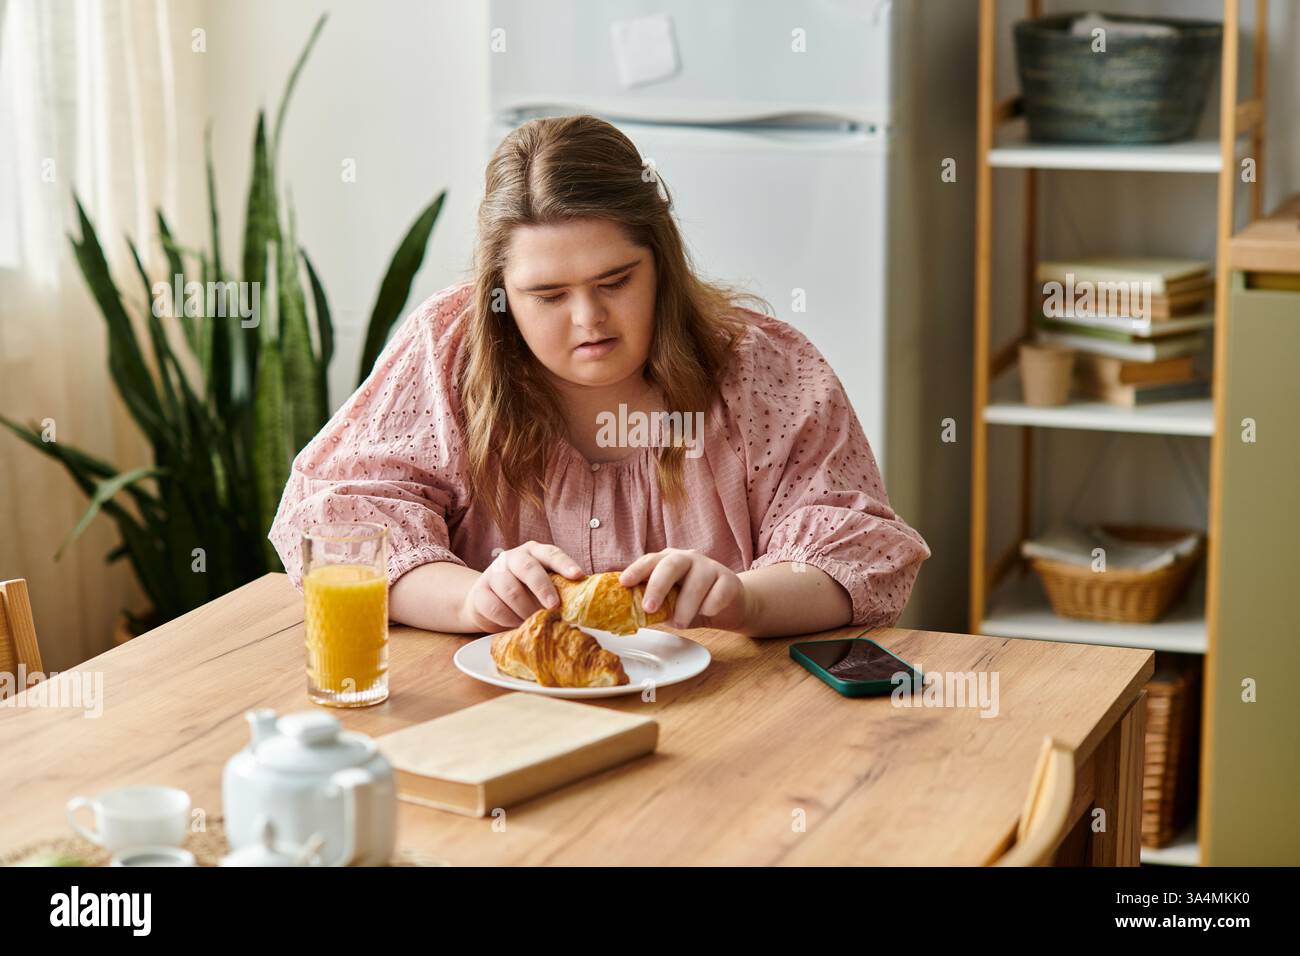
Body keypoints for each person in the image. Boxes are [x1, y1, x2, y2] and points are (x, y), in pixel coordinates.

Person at [268, 114, 929, 638]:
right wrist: (473, 599)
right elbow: (336, 527)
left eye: (615, 281)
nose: (588, 319)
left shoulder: (764, 369)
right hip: (497, 727)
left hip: (727, 728)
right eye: (548, 296)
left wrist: (742, 600)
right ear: (500, 291)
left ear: (661, 263)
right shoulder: (446, 349)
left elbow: (859, 552)